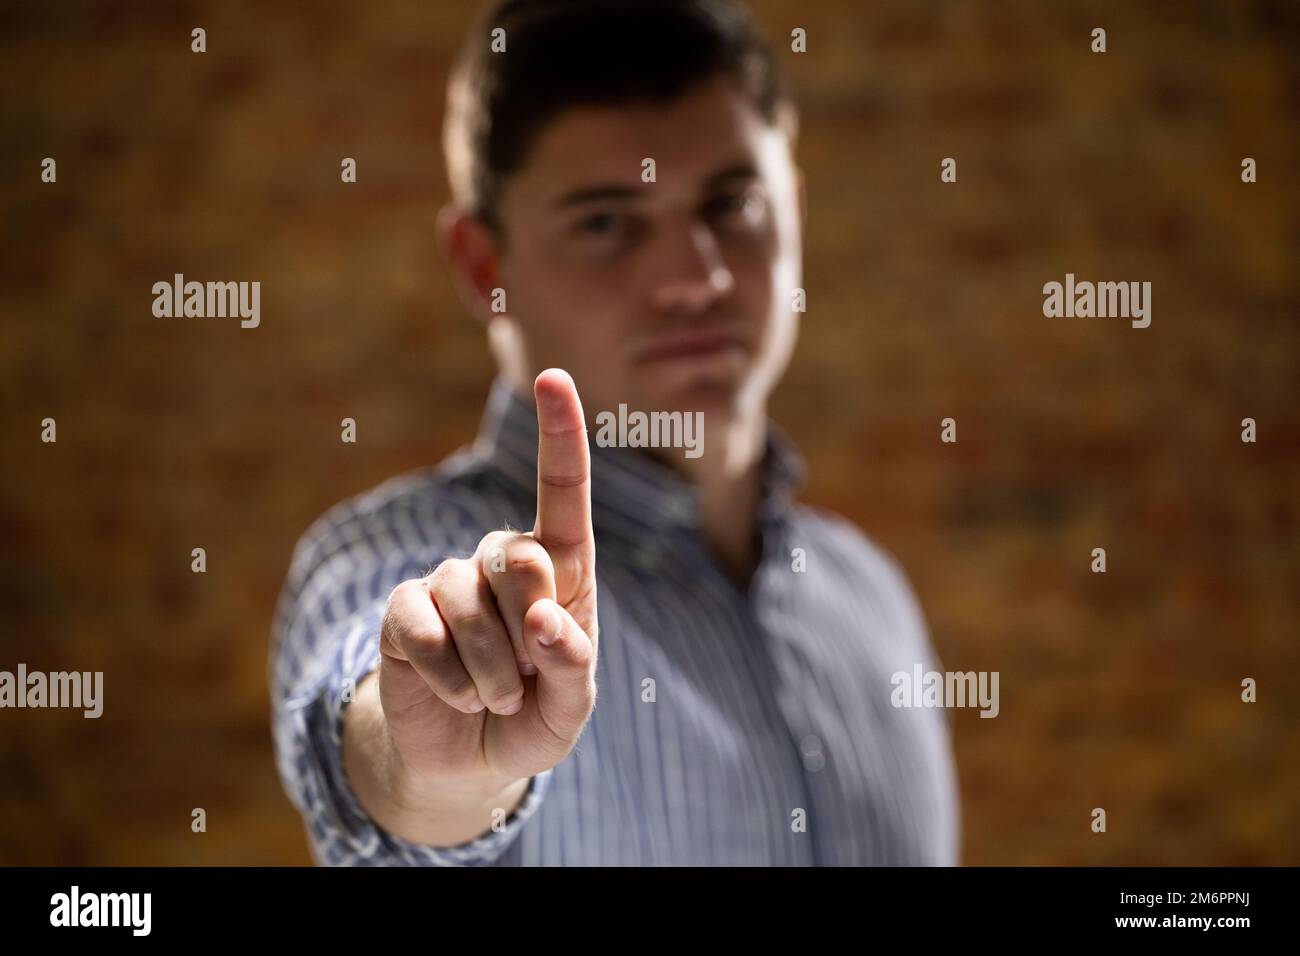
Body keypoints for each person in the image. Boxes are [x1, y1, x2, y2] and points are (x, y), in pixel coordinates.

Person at [271, 0, 959, 865]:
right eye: (606, 223)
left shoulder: (869, 597)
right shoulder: (407, 560)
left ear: (795, 210)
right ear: (485, 267)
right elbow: (373, 710)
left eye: (731, 202)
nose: (696, 277)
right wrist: (438, 769)